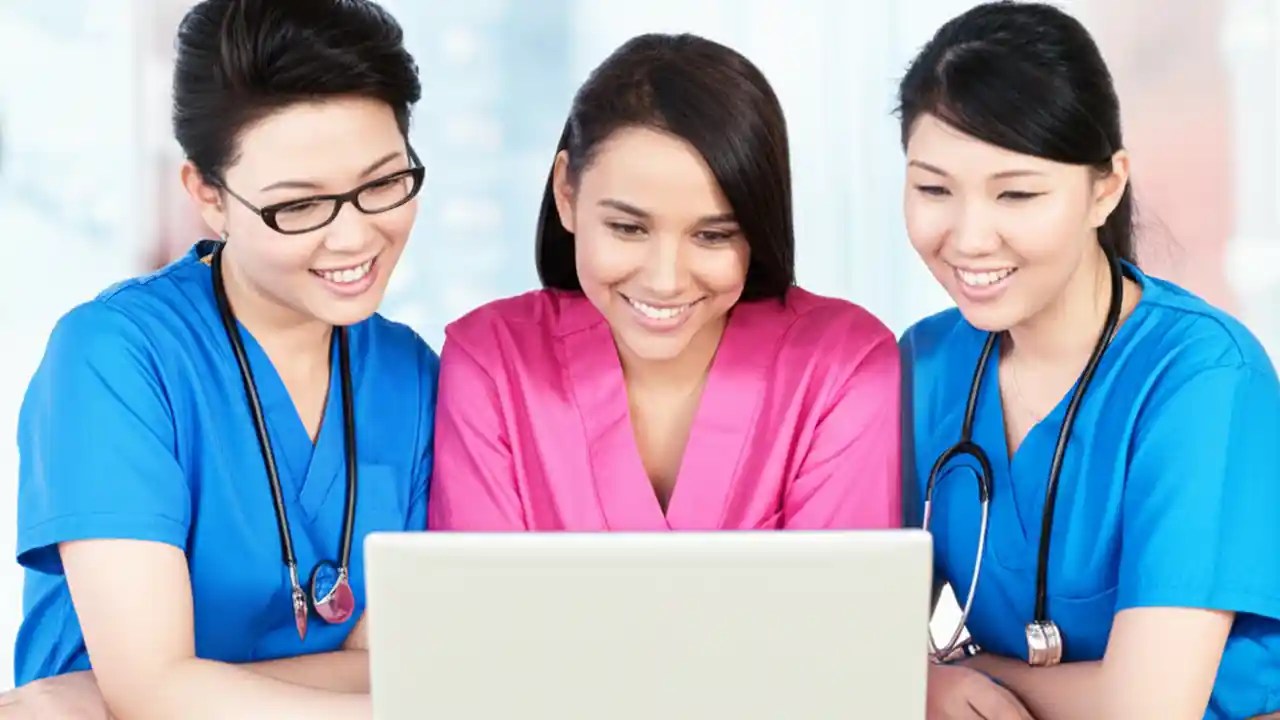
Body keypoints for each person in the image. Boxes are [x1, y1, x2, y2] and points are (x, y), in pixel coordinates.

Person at [3, 1, 436, 718]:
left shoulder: (412, 376)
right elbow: (151, 689)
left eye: (383, 183)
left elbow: (399, 663)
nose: (355, 236)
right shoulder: (116, 357)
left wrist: (167, 689)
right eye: (299, 206)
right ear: (208, 196)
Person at [896, 3, 1280, 719]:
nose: (969, 237)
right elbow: (853, 620)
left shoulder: (1204, 380)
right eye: (933, 189)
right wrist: (925, 679)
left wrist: (956, 677)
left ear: (1106, 186)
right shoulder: (920, 368)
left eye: (1017, 193)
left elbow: (1149, 705)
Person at [427, 33, 901, 533]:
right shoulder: (492, 361)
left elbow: (840, 607)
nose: (666, 279)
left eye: (713, 235)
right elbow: (476, 606)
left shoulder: (840, 366)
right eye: (628, 228)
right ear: (567, 192)